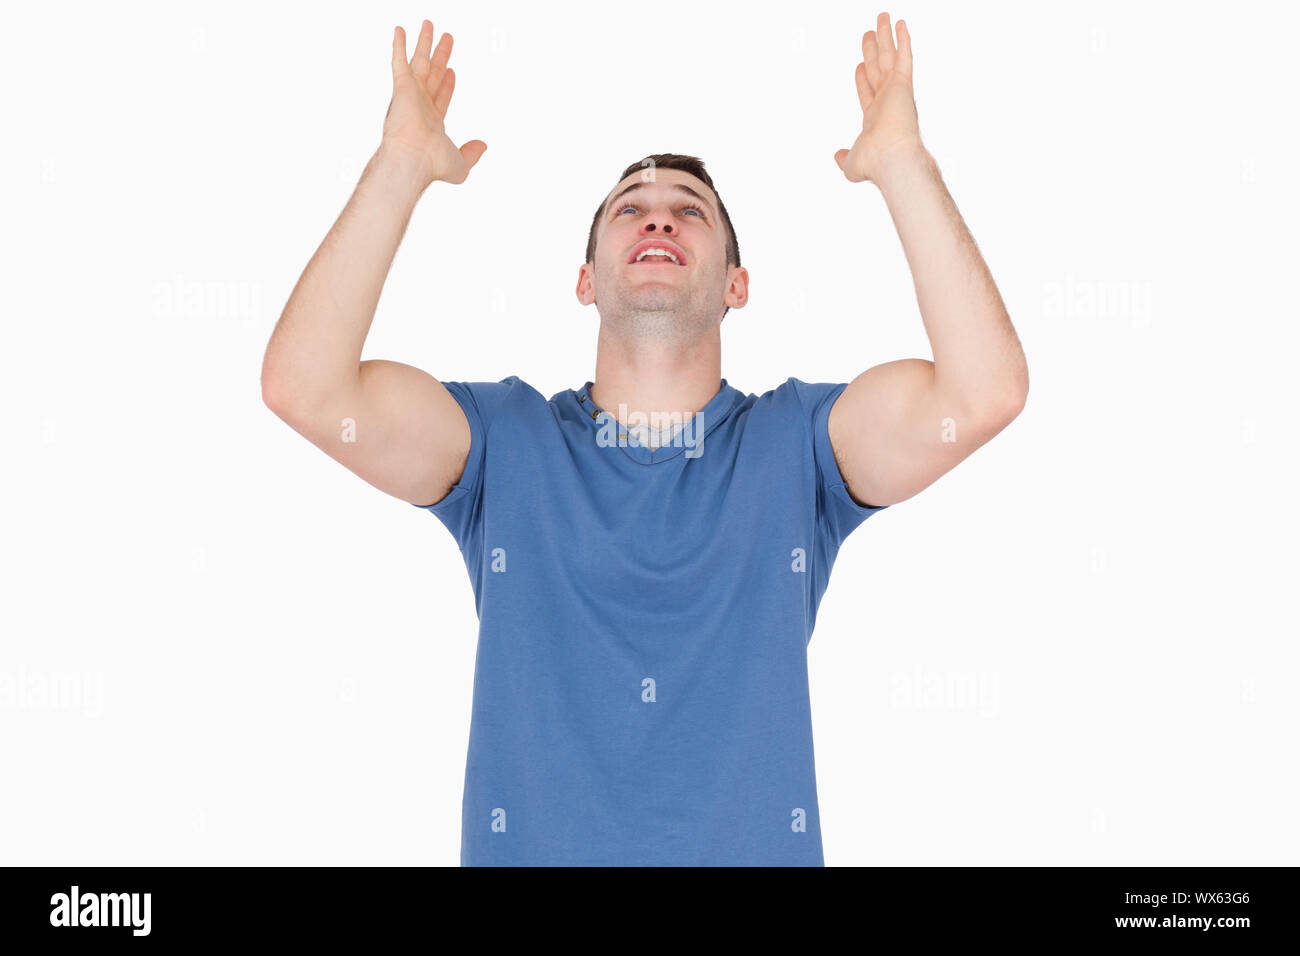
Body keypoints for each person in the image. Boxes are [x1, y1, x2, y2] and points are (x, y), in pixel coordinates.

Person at [260, 13, 1029, 866]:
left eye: (687, 212)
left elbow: (984, 392)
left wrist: (901, 164)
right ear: (586, 280)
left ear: (737, 283)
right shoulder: (503, 445)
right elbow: (306, 387)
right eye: (632, 209)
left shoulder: (798, 445)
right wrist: (400, 163)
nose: (657, 222)